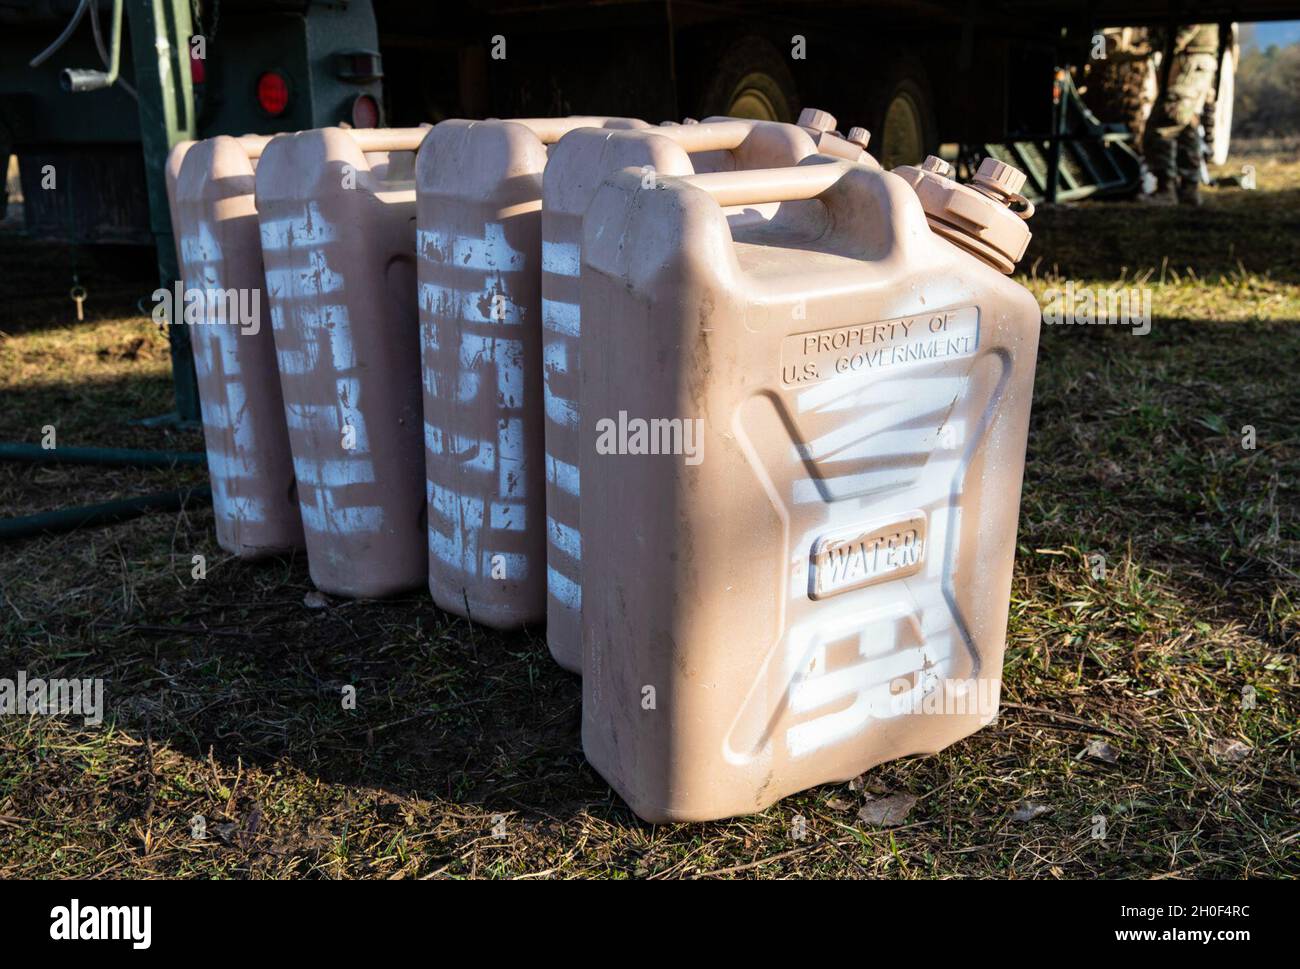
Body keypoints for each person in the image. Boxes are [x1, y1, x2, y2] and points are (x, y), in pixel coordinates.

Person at [1142, 23, 1220, 206]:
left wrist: (1170, 44)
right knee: (1186, 127)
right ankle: (1188, 190)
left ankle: (1166, 190)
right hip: (1194, 62)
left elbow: (1190, 21)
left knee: (1164, 124)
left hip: (1189, 62)